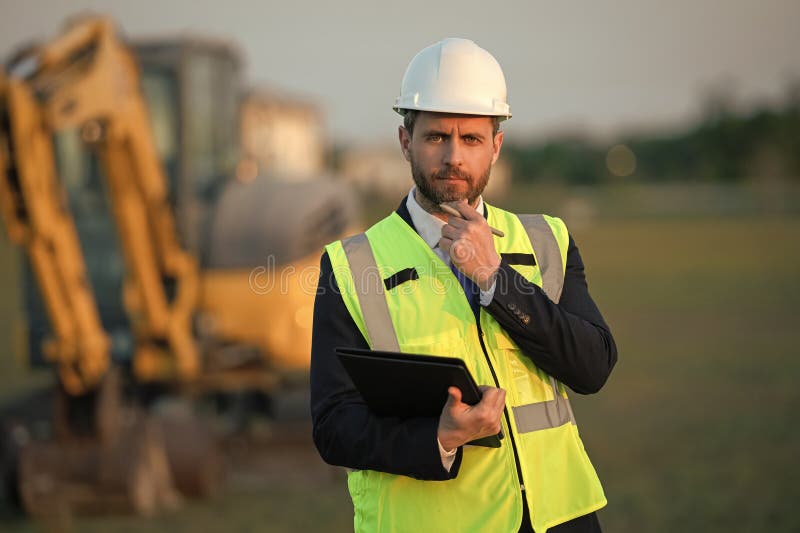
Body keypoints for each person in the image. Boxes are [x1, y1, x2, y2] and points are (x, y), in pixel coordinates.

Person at [310, 38, 617, 533]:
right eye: (436, 138)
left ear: (496, 144)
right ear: (406, 140)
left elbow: (593, 367)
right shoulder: (350, 265)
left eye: (472, 139)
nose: (454, 157)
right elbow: (333, 427)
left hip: (560, 519)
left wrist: (497, 280)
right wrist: (439, 438)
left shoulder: (547, 240)